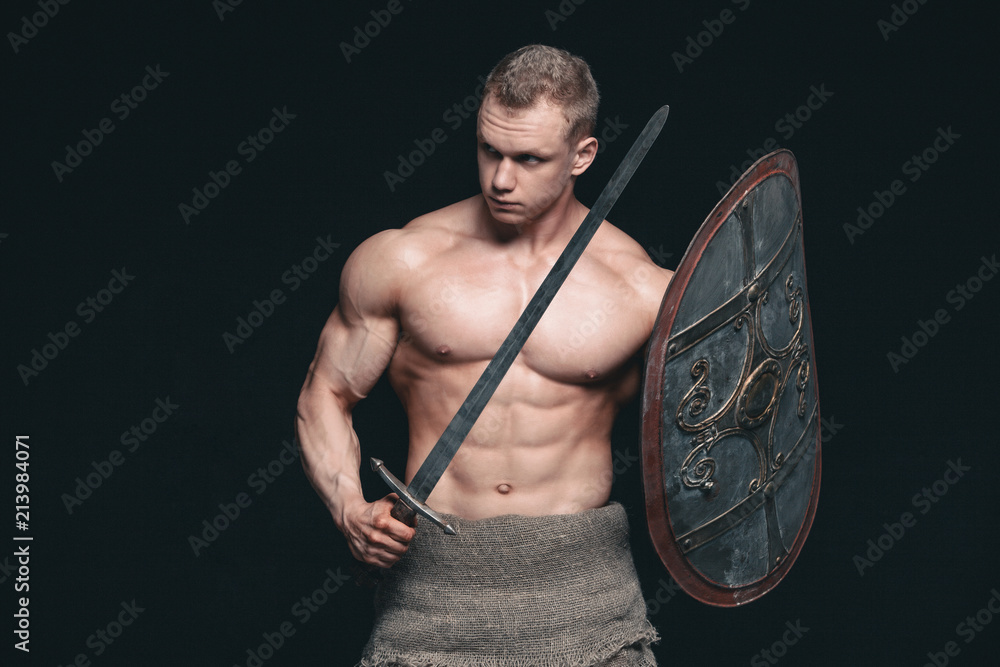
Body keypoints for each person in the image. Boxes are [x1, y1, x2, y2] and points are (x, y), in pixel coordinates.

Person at [296, 44, 672, 666]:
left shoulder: (644, 288)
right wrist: (349, 509)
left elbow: (715, 438)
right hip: (433, 588)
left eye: (529, 159)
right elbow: (324, 396)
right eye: (489, 150)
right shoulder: (403, 259)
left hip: (586, 590)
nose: (500, 179)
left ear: (583, 156)